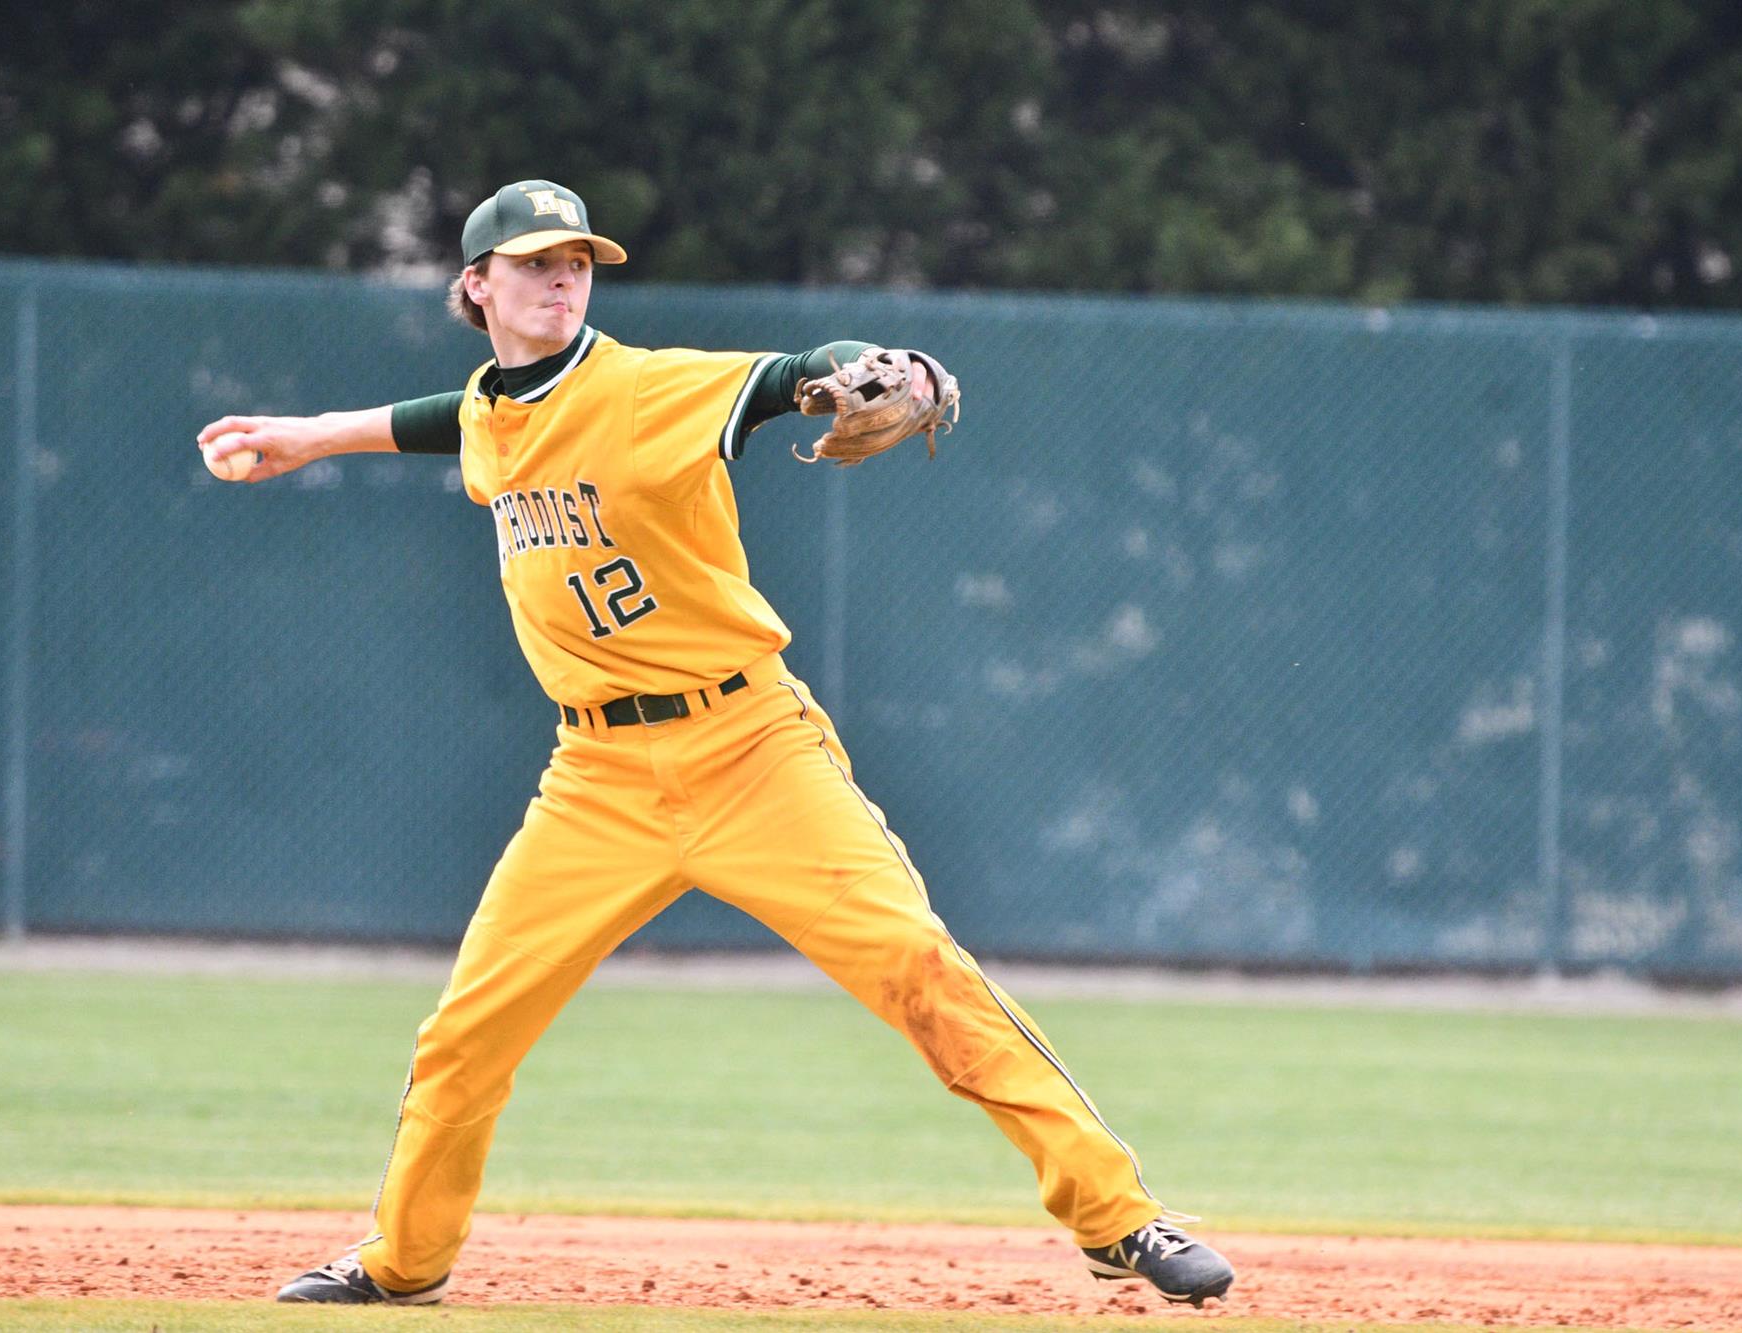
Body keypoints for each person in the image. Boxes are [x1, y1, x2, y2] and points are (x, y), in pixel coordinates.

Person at [198, 179, 1234, 1310]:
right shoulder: (494, 410)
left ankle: (1117, 1218)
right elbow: (462, 416)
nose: (561, 279)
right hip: (594, 780)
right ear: (476, 286)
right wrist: (312, 436)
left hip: (749, 748)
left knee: (919, 968)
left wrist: (864, 362)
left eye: (576, 262)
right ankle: (404, 1262)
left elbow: (791, 375)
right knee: (466, 1032)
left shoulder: (644, 389)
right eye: (536, 262)